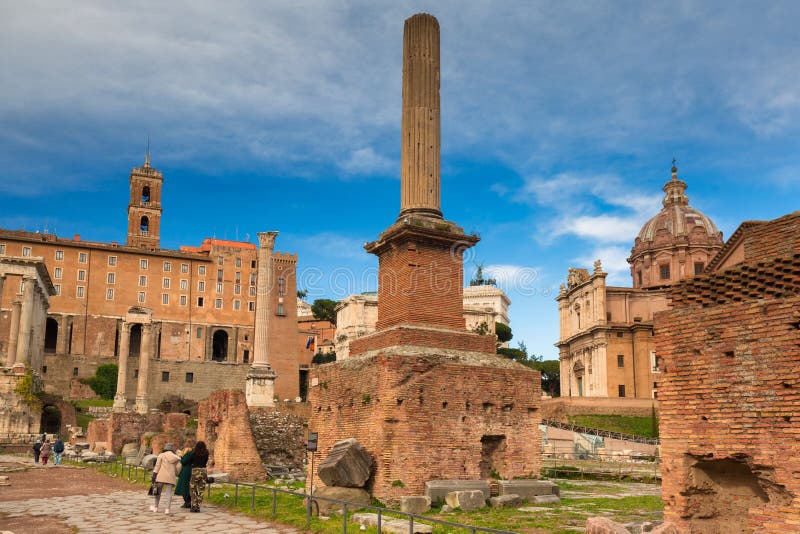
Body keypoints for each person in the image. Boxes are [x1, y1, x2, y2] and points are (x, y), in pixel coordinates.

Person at [150, 443, 182, 515]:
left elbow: (157, 466)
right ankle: (167, 509)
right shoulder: (176, 457)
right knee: (169, 494)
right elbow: (178, 468)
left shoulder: (161, 455)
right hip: (170, 477)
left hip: (161, 476)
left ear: (165, 449)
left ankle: (156, 507)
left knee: (158, 492)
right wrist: (176, 473)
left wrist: (154, 475)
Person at [188, 441, 209, 513]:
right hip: (203, 471)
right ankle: (198, 506)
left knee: (192, 488)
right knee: (201, 489)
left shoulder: (194, 452)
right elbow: (206, 461)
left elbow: (190, 461)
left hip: (195, 471)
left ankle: (194, 505)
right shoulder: (206, 453)